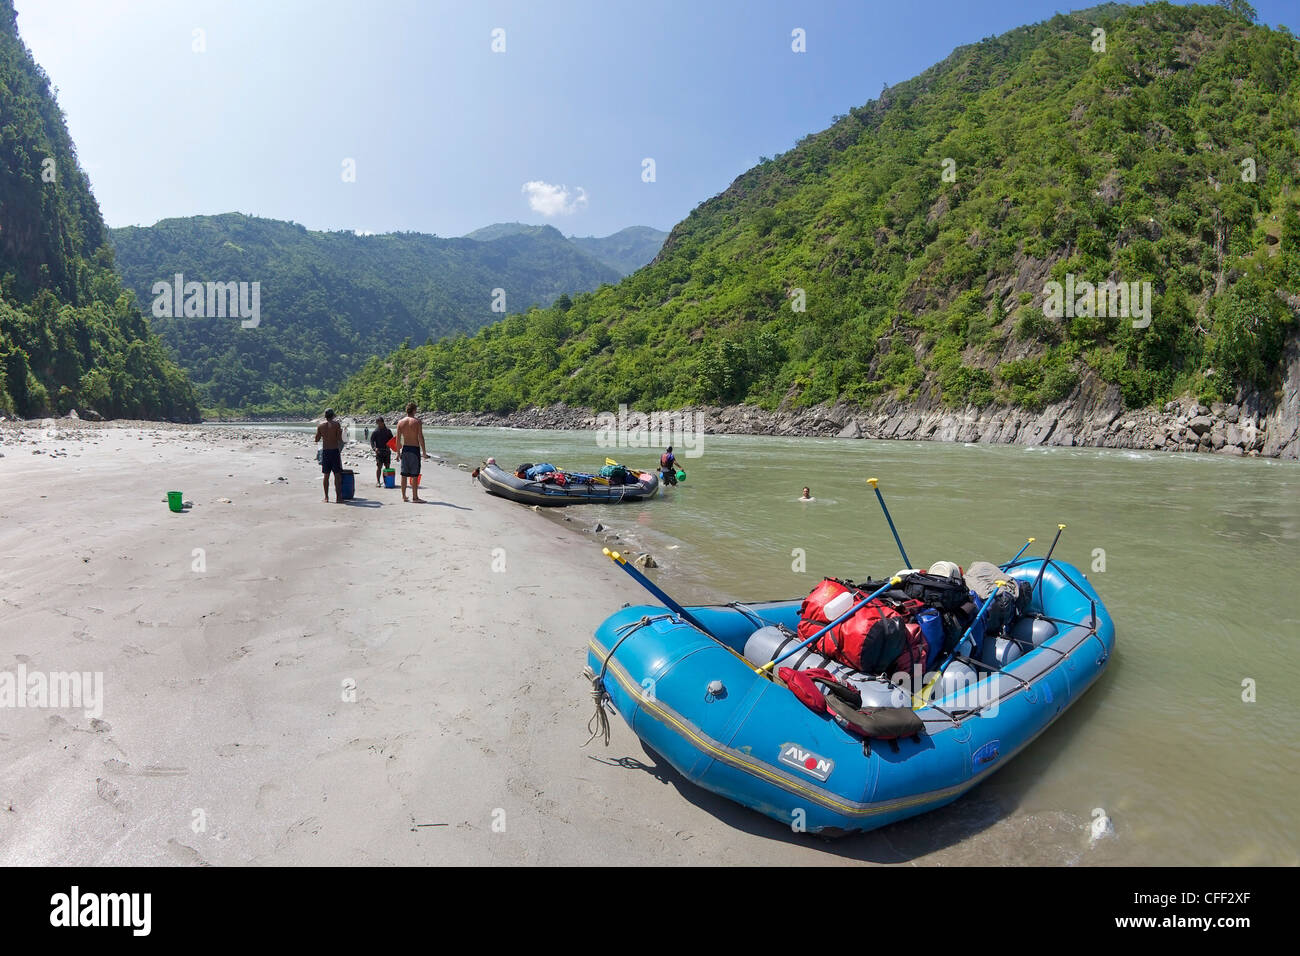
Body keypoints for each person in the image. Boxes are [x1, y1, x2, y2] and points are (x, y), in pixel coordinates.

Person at [395, 402, 430, 503]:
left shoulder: (400, 422)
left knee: (404, 474)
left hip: (405, 449)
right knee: (415, 475)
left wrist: (398, 453)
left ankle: (404, 496)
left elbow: (398, 439)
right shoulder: (417, 422)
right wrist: (424, 452)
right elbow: (420, 437)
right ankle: (415, 497)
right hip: (414, 449)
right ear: (414, 410)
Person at [314, 408, 345, 503]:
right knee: (337, 475)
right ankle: (338, 498)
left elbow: (317, 439)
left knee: (326, 475)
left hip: (326, 452)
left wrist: (320, 432)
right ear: (333, 415)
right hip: (334, 451)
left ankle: (326, 497)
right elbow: (339, 439)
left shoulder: (321, 426)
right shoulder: (336, 424)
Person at [370, 417, 394, 486]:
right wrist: (374, 448)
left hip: (386, 451)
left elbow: (392, 440)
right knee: (379, 467)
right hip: (379, 451)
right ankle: (378, 481)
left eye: (379, 422)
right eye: (377, 423)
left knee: (387, 467)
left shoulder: (388, 431)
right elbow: (372, 441)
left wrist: (390, 446)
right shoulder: (375, 431)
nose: (378, 424)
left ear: (383, 422)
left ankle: (387, 481)